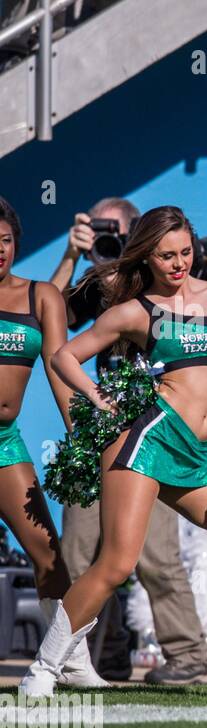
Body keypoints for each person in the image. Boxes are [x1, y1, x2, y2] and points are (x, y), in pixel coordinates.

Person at [19, 206, 207, 698]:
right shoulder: (136, 310)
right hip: (147, 444)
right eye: (166, 256)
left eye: (186, 252)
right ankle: (41, 672)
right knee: (116, 564)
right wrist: (97, 397)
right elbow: (64, 353)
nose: (178, 264)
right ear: (147, 257)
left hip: (195, 459)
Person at [51, 196, 207, 685]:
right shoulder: (98, 285)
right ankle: (90, 656)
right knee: (79, 557)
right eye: (105, 232)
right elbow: (47, 313)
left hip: (154, 435)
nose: (113, 242)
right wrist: (74, 255)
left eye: (121, 233)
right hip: (100, 434)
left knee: (155, 555)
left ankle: (188, 659)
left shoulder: (175, 286)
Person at [0, 196, 105, 689]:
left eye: (5, 240)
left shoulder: (40, 295)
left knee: (47, 552)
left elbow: (60, 369)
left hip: (5, 443)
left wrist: (80, 437)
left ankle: (72, 661)